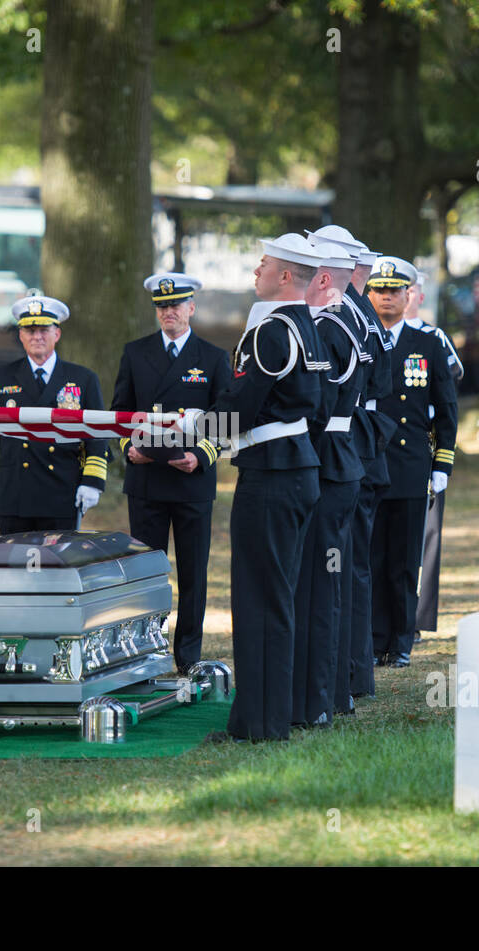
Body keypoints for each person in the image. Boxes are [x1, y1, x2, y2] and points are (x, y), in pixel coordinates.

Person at [184, 233, 326, 742]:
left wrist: (195, 430)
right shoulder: (306, 326)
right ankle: (261, 717)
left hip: (272, 473)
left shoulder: (270, 330)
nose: (255, 271)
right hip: (295, 467)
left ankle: (262, 726)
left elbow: (242, 403)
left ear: (285, 275)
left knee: (258, 599)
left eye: (263, 264)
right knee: (274, 597)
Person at [111, 273, 231, 673]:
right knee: (146, 572)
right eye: (162, 306)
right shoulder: (135, 352)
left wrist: (201, 454)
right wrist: (128, 448)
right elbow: (119, 414)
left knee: (193, 573)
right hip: (147, 481)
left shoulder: (212, 357)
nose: (169, 312)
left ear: (192, 308)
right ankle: (147, 650)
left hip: (192, 480)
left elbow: (226, 421)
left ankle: (188, 655)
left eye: (176, 305)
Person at [307, 225, 394, 701]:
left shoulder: (342, 317)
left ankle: (346, 671)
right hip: (359, 448)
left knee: (343, 567)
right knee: (351, 566)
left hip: (347, 448)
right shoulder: (360, 316)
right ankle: (355, 670)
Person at [367, 256, 457, 668]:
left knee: (404, 560)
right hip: (367, 463)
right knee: (369, 557)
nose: (387, 297)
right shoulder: (360, 338)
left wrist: (441, 467)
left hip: (409, 466)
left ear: (409, 296)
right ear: (369, 294)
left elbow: (447, 408)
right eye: (379, 290)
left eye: (394, 291)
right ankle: (370, 639)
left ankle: (401, 641)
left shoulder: (428, 343)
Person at [291, 240, 365, 727]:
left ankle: (317, 698)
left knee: (320, 584)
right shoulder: (351, 321)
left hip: (325, 457)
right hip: (342, 457)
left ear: (323, 278)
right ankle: (334, 691)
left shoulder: (327, 327)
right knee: (329, 582)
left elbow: (314, 405)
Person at [0, 296, 109, 533]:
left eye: (44, 330)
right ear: (21, 335)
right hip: (14, 493)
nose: (37, 336)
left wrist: (92, 481)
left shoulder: (83, 379)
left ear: (56, 334)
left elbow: (97, 434)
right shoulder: (2, 378)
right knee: (15, 565)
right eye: (30, 330)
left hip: (62, 492)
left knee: (57, 567)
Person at [402, 269, 463, 637]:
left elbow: (452, 376)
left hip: (423, 443)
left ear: (420, 297)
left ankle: (421, 616)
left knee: (427, 535)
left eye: (409, 291)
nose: (403, 297)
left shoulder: (433, 336)